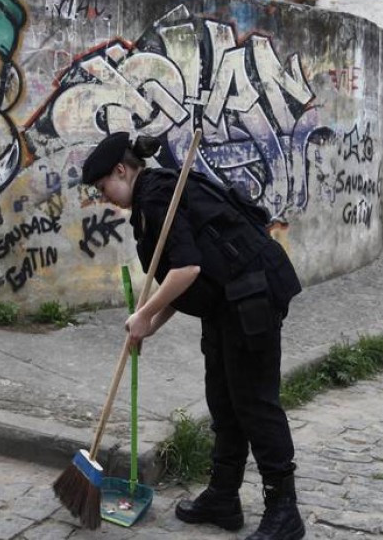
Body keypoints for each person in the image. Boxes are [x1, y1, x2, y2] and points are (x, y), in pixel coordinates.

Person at [82, 132, 306, 540]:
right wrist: (147, 322)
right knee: (223, 399)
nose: (105, 197)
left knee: (255, 403)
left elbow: (187, 270)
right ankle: (224, 497)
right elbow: (179, 278)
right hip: (226, 302)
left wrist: (144, 313)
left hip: (252, 294)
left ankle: (284, 509)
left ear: (121, 171)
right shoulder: (152, 199)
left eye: (103, 187)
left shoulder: (156, 197)